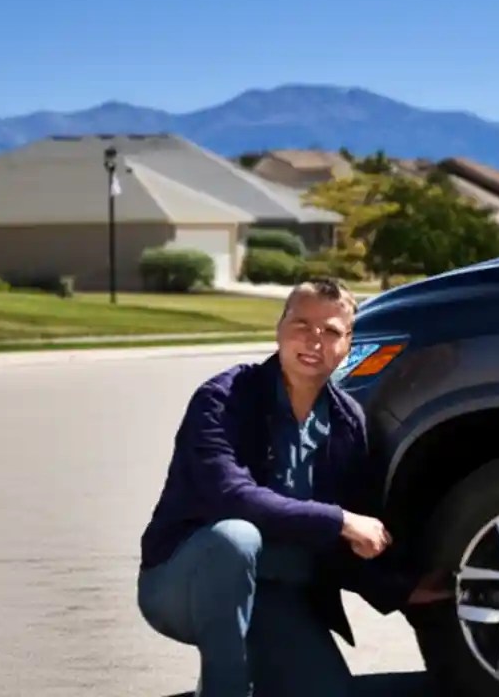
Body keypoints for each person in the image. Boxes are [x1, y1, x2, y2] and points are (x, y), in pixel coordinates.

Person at [136, 277, 450, 697]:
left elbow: (350, 541)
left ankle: (244, 672)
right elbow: (232, 497)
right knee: (236, 537)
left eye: (331, 331)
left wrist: (404, 589)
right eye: (302, 324)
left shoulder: (347, 423)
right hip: (183, 584)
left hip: (276, 597)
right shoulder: (223, 398)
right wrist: (339, 519)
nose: (314, 340)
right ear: (279, 328)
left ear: (348, 344)